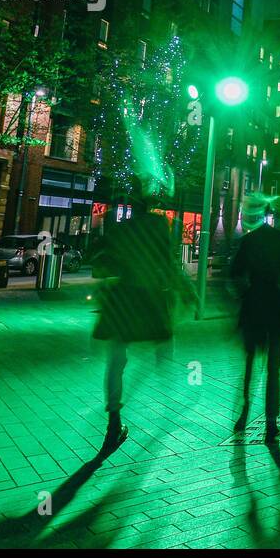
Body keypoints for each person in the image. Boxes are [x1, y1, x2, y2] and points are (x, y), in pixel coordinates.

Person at [91, 181, 187, 449]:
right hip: (148, 296)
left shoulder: (121, 230)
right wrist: (182, 290)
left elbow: (101, 263)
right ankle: (171, 392)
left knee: (116, 360)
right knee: (163, 344)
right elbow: (167, 261)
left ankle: (113, 422)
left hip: (122, 298)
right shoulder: (159, 226)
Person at [229, 192, 280, 444]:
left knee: (250, 365)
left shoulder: (249, 242)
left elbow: (234, 274)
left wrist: (244, 295)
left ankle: (244, 411)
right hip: (276, 308)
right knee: (274, 369)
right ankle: (271, 423)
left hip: (253, 307)